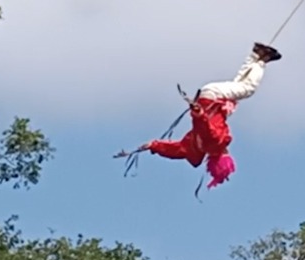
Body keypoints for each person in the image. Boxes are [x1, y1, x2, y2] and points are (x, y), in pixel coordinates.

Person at [114, 42, 281, 190]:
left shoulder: (215, 143)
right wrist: (154, 145)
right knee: (238, 86)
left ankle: (261, 59)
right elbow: (175, 151)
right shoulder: (194, 148)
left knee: (247, 89)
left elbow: (205, 127)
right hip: (209, 97)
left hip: (213, 97)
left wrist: (198, 113)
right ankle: (256, 55)